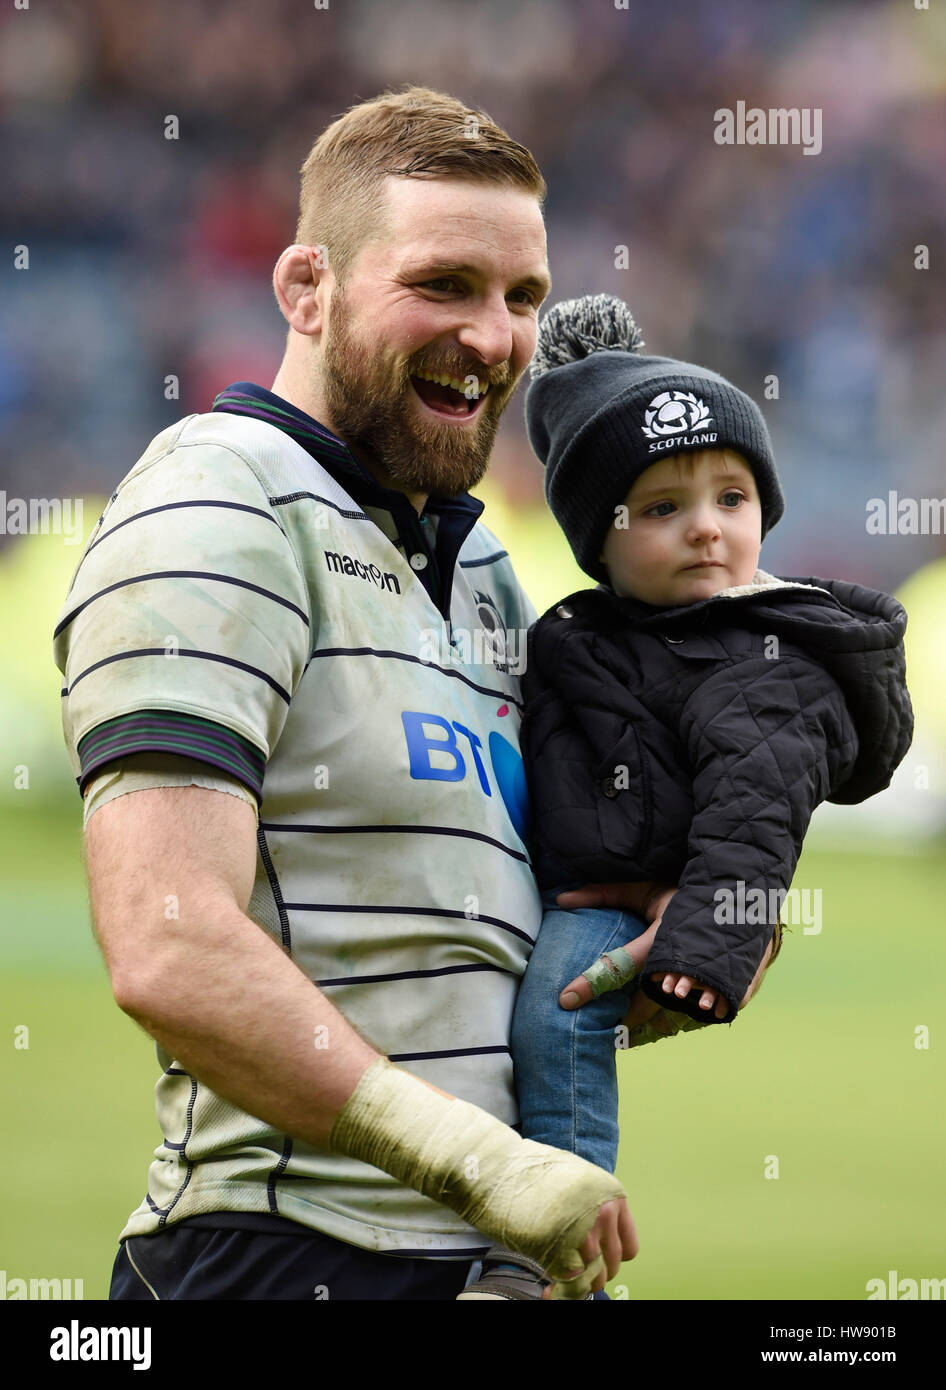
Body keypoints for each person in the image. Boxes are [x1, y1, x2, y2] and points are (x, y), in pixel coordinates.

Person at [52, 90, 654, 1302]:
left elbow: (516, 904)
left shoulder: (480, 565)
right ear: (305, 288)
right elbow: (169, 945)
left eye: (521, 298)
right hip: (278, 1255)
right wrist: (476, 1161)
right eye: (442, 285)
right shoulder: (217, 507)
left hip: (484, 1261)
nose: (492, 338)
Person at [458, 294, 914, 1299]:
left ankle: (547, 1247)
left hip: (626, 910)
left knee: (559, 1019)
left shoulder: (763, 662)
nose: (706, 529)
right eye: (661, 509)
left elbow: (752, 823)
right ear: (599, 538)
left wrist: (704, 954)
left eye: (731, 499)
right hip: (553, 886)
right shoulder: (600, 631)